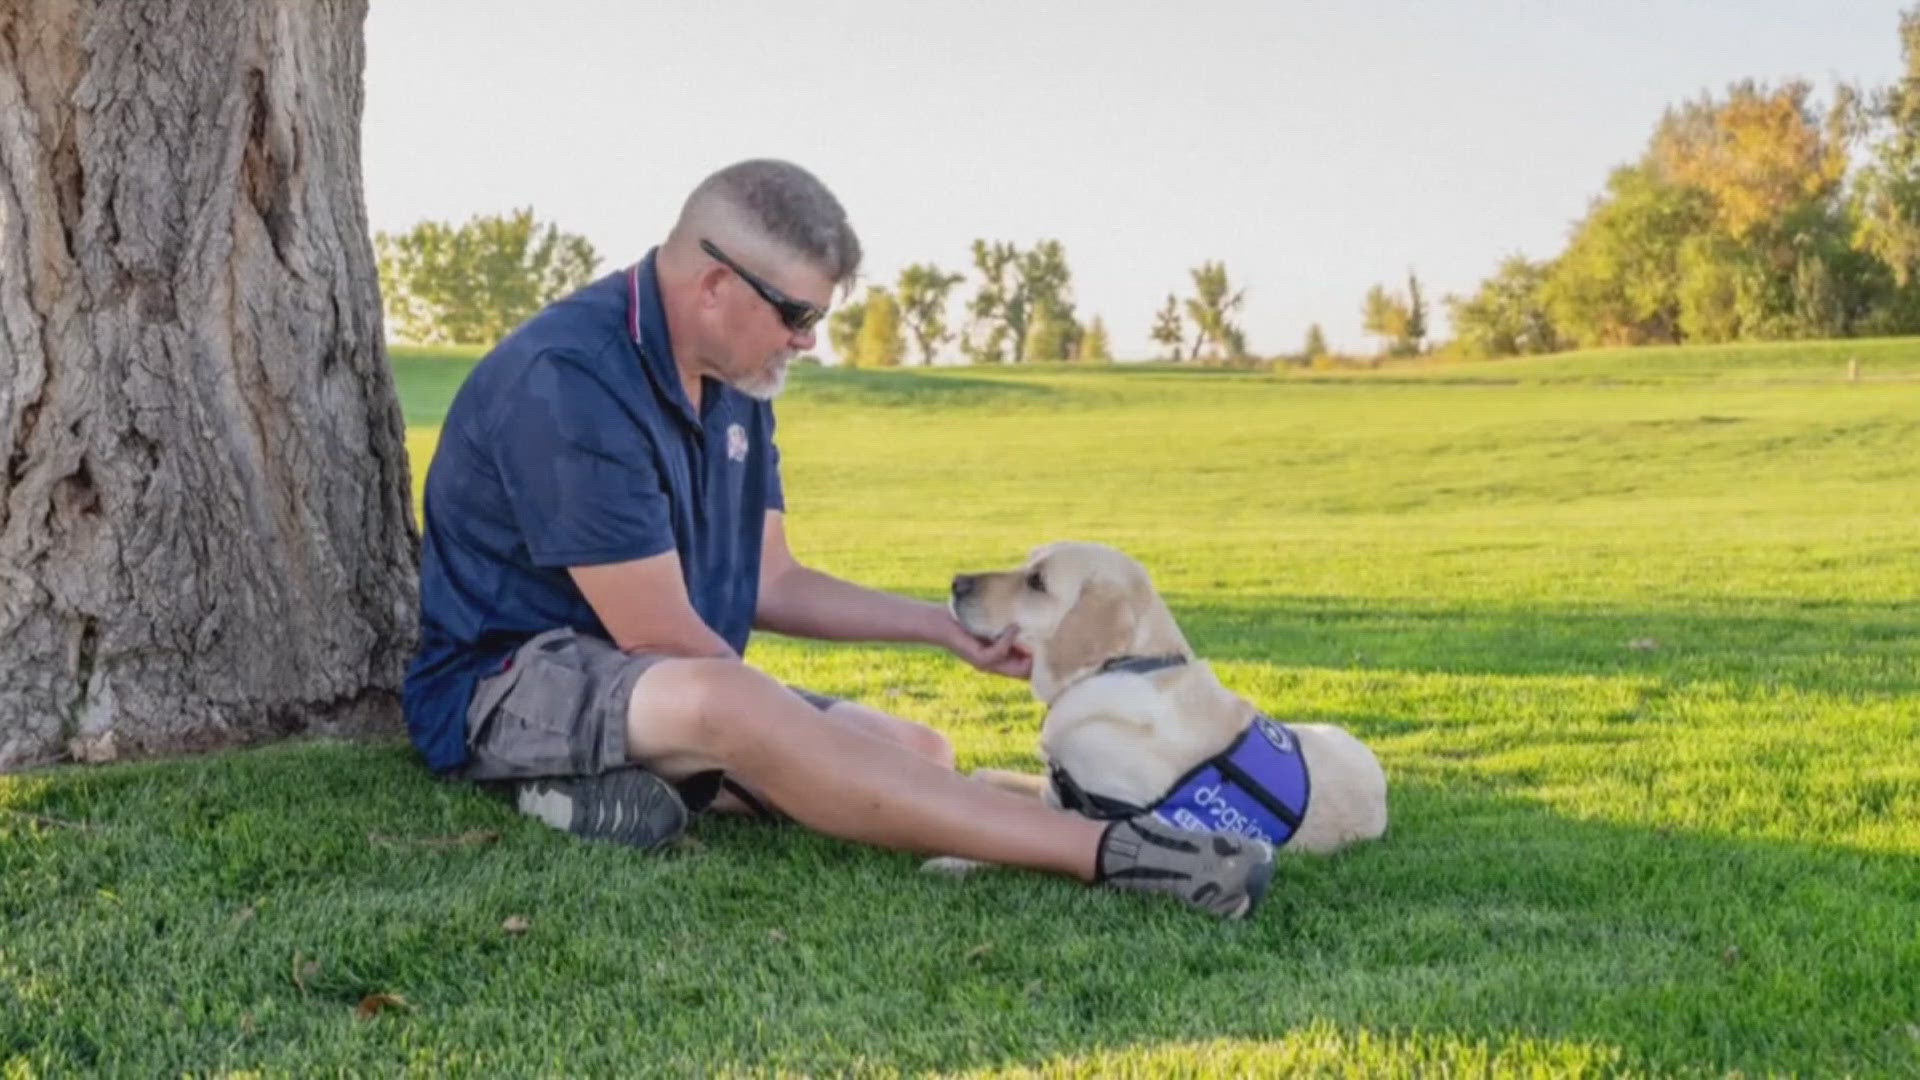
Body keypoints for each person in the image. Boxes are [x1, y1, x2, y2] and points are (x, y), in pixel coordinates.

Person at [400, 159, 1274, 918]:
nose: (807, 341)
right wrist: (788, 736)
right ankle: (1110, 854)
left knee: (917, 752)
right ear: (714, 284)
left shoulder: (739, 379)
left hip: (659, 683)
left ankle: (608, 791)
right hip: (511, 686)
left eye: (816, 317)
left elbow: (772, 581)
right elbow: (661, 638)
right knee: (737, 708)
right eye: (793, 314)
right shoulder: (571, 382)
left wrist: (943, 627)